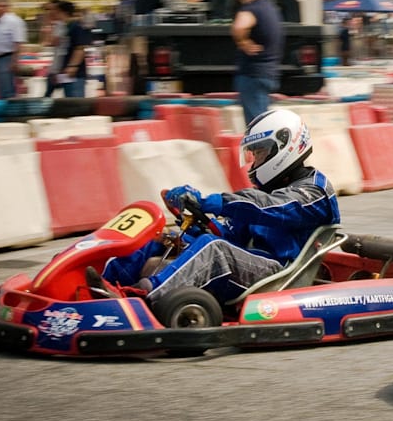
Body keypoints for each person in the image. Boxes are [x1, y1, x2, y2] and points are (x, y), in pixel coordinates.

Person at [91, 109, 339, 307]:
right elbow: (232, 236)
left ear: (284, 146)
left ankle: (141, 298)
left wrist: (215, 202)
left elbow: (270, 207)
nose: (255, 161)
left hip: (280, 274)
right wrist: (197, 223)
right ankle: (103, 284)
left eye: (260, 152)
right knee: (166, 238)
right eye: (253, 154)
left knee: (214, 250)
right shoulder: (266, 192)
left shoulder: (314, 192)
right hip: (252, 262)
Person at [232, 0, 283, 126]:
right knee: (262, 123)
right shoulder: (269, 7)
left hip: (252, 76)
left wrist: (243, 42)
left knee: (258, 128)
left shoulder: (251, 9)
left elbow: (238, 27)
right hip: (267, 74)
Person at [0, 0, 26, 100]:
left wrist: (14, 61)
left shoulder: (14, 21)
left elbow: (18, 41)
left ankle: (10, 111)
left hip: (7, 58)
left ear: (6, 7)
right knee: (1, 89)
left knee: (7, 90)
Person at [53, 0, 92, 98]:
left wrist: (72, 66)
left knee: (75, 101)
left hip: (75, 73)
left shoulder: (76, 27)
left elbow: (80, 48)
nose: (54, 13)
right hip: (66, 72)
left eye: (56, 11)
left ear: (64, 12)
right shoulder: (65, 27)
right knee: (68, 99)